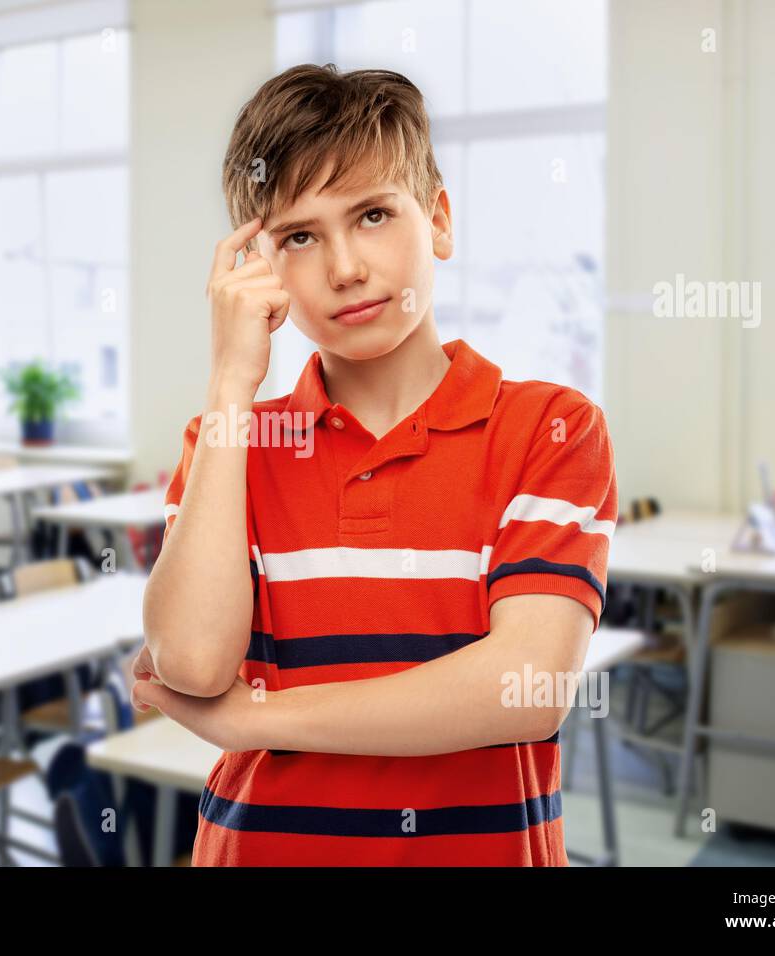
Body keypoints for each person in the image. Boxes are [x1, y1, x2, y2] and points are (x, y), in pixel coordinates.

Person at [134, 64, 618, 866]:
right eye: (299, 236)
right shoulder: (230, 442)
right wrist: (230, 383)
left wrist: (253, 719)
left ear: (438, 220)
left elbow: (524, 687)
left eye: (372, 215)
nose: (345, 268)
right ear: (259, 268)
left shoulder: (552, 427)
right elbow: (190, 662)